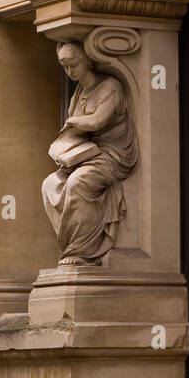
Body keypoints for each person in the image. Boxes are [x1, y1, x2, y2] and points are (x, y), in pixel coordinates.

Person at [42, 40, 139, 266]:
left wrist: (72, 121)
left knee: (78, 183)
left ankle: (83, 251)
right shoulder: (78, 93)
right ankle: (70, 242)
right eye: (64, 67)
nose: (69, 72)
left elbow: (97, 121)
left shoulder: (110, 87)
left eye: (73, 65)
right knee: (49, 184)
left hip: (113, 154)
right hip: (87, 153)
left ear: (85, 59)